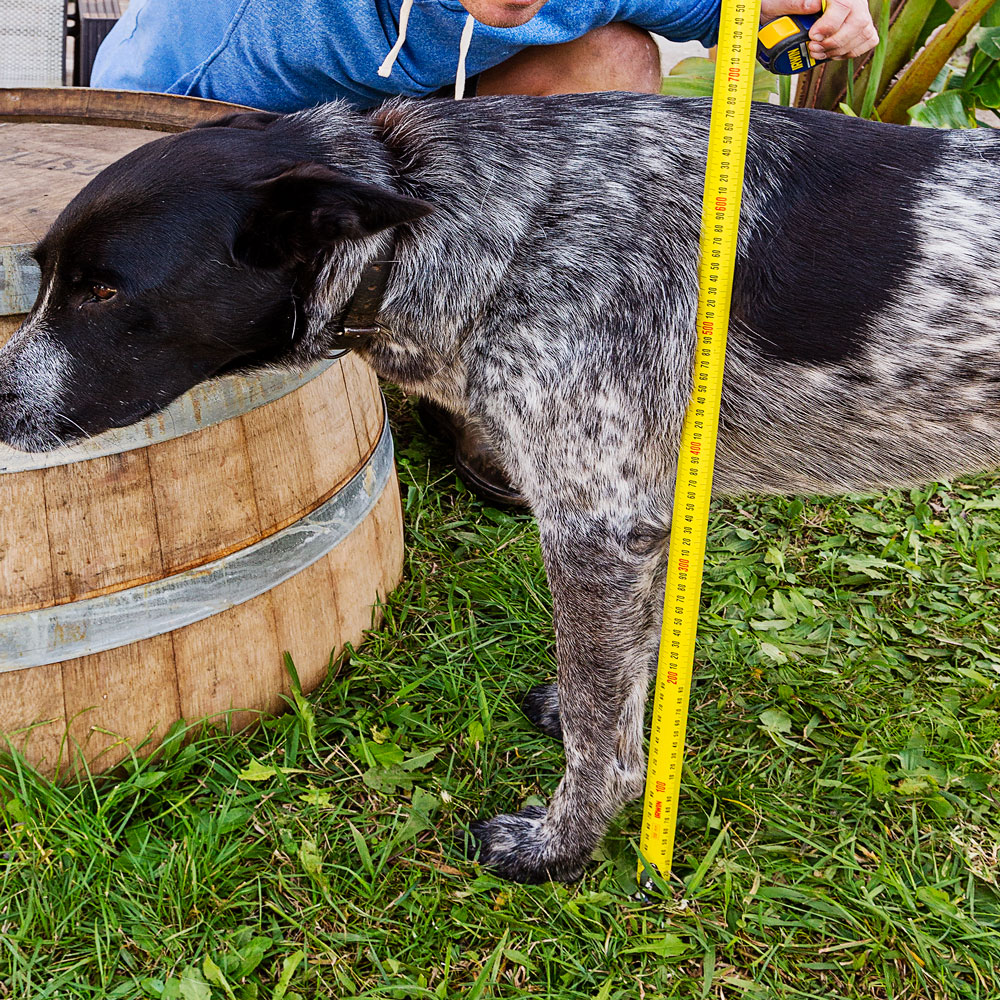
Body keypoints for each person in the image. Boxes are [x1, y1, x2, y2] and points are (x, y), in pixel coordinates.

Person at [93, 0, 878, 506]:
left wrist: (816, 27)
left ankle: (514, 383)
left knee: (611, 58)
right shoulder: (258, 31)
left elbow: (745, 17)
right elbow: (153, 142)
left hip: (409, 115)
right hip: (220, 120)